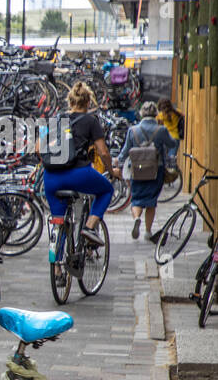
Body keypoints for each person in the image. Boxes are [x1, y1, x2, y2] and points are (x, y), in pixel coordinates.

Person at [44, 82, 113, 254]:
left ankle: (57, 268)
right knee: (106, 190)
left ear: (70, 101)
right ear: (88, 102)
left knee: (58, 221)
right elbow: (103, 152)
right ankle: (89, 227)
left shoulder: (58, 118)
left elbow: (39, 147)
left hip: (51, 177)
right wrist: (112, 171)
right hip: (79, 174)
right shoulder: (91, 121)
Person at [114, 100, 179, 241]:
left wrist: (117, 163)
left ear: (141, 113)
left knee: (136, 199)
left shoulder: (132, 130)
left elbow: (125, 152)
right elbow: (172, 143)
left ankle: (137, 218)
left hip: (136, 170)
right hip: (156, 169)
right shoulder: (161, 130)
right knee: (151, 201)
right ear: (156, 114)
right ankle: (148, 232)